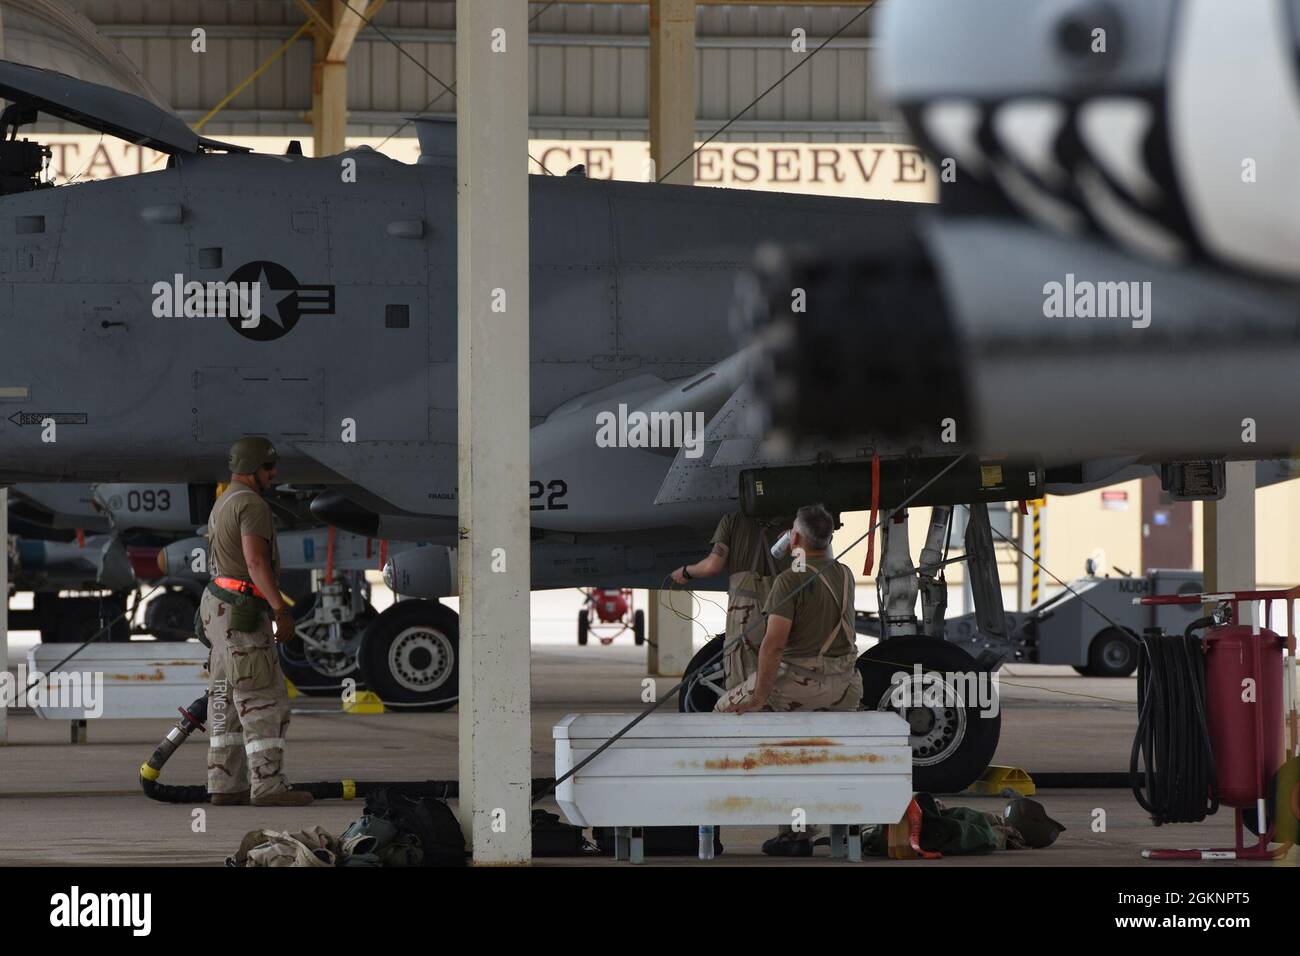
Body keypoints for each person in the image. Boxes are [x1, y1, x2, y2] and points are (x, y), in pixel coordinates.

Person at [716, 503, 862, 857]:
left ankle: (723, 811)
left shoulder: (789, 579)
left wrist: (757, 697)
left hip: (800, 685)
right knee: (802, 743)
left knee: (721, 712)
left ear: (794, 537)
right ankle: (799, 830)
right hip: (843, 686)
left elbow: (774, 646)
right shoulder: (844, 573)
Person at [201, 436, 312, 807]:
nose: (274, 473)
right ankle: (267, 786)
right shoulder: (251, 504)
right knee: (263, 697)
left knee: (224, 697)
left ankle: (224, 782)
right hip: (242, 610)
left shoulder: (224, 501)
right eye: (268, 467)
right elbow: (256, 562)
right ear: (252, 469)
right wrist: (281, 609)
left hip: (217, 606)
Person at [671, 510, 792, 689]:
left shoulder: (733, 519)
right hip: (786, 607)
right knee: (786, 672)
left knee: (742, 680)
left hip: (746, 613)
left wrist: (686, 571)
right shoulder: (797, 518)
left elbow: (712, 566)